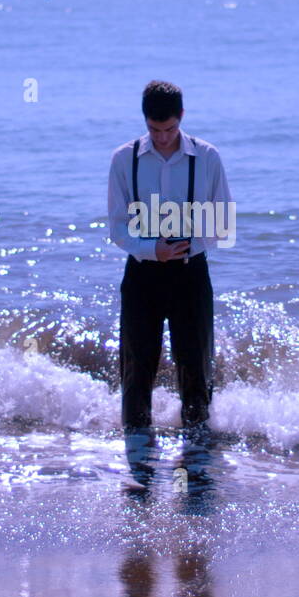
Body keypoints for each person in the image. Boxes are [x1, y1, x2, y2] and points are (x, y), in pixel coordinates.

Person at [107, 80, 234, 464]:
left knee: (195, 362)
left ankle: (196, 450)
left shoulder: (207, 157)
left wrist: (183, 247)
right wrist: (151, 249)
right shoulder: (123, 158)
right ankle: (137, 455)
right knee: (137, 364)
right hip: (142, 274)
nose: (162, 138)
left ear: (181, 118)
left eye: (169, 130)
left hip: (189, 272)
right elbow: (117, 227)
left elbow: (223, 221)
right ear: (145, 121)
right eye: (154, 130)